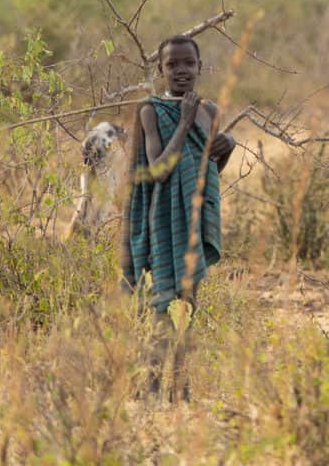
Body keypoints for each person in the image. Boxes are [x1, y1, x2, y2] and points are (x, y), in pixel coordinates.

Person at [121, 35, 236, 401]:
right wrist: (184, 122)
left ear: (200, 67)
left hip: (193, 220)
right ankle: (152, 388)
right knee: (159, 305)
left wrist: (228, 147)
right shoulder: (150, 111)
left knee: (188, 304)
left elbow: (210, 169)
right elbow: (158, 169)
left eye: (188, 63)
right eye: (172, 64)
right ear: (160, 70)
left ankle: (181, 390)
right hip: (159, 221)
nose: (181, 70)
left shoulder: (211, 111)